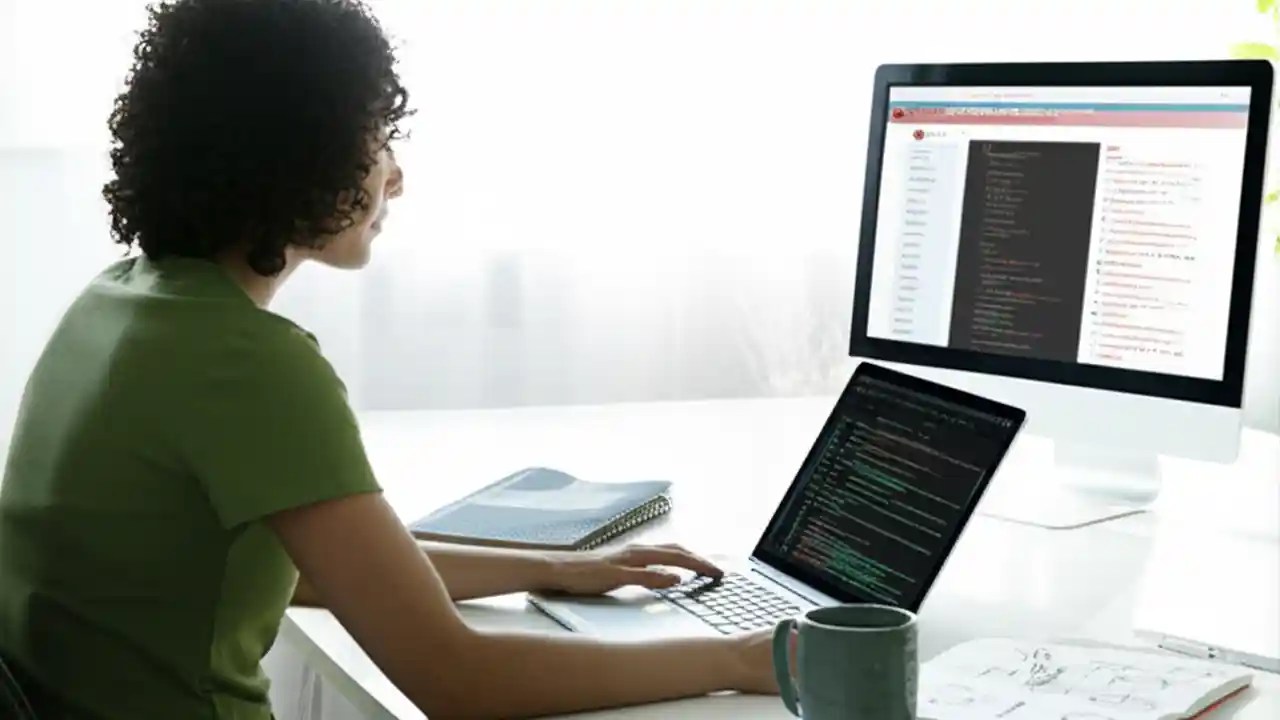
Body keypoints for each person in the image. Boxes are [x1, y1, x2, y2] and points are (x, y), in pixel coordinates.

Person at [0, 1, 779, 718]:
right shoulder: (248, 364)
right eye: (377, 141)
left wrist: (554, 568)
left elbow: (301, 569)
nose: (395, 177)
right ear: (297, 154)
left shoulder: (115, 305)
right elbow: (455, 677)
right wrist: (744, 657)